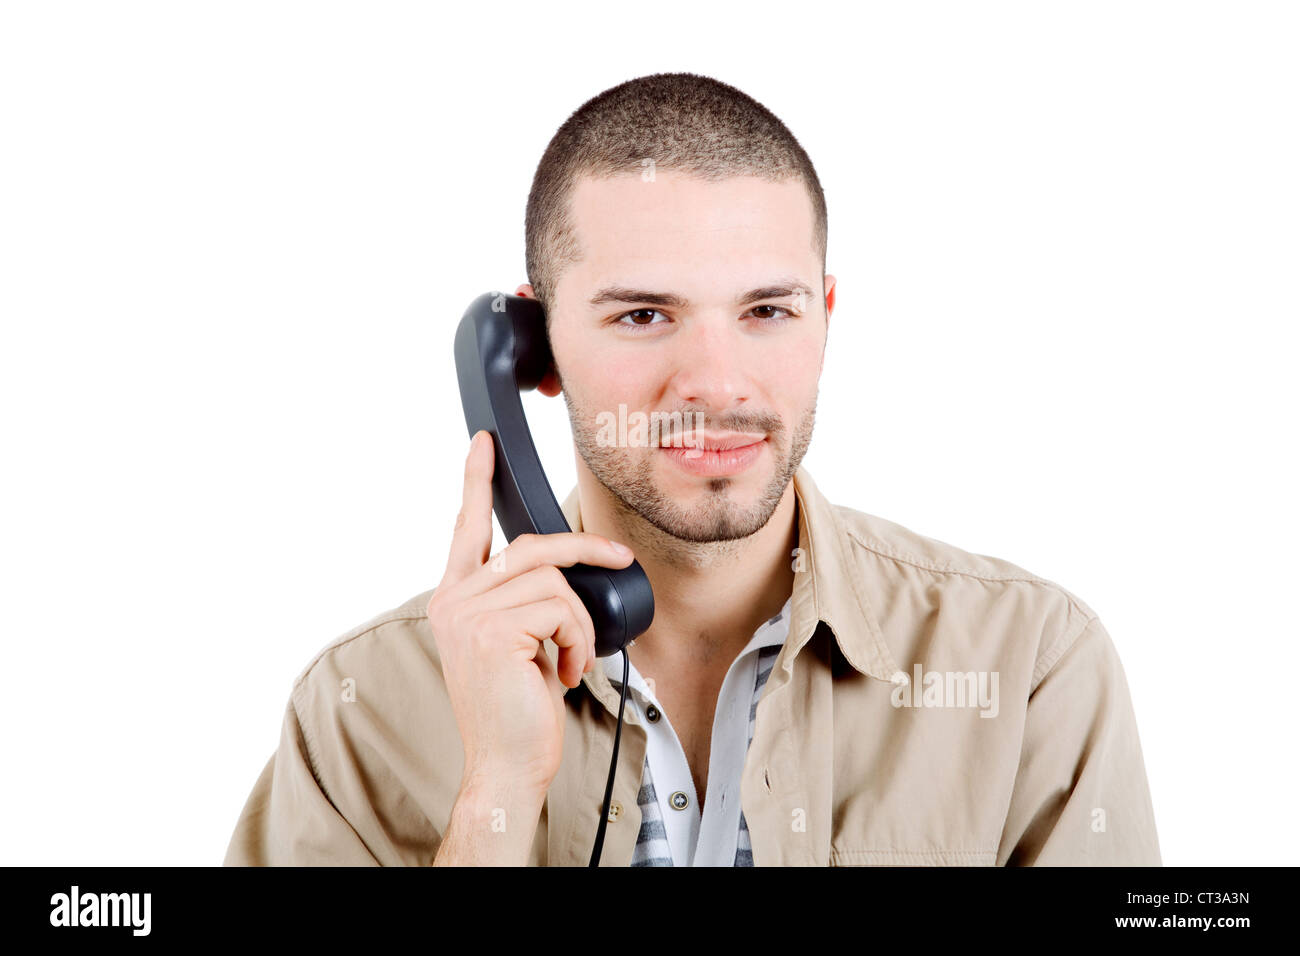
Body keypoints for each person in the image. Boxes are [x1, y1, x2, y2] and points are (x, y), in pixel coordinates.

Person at [223, 72, 1160, 867]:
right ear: (529, 348)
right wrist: (494, 800)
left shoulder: (1031, 665)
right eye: (643, 315)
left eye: (767, 311)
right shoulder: (360, 711)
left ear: (826, 316)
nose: (717, 385)